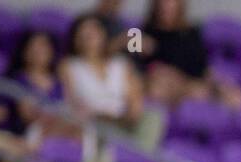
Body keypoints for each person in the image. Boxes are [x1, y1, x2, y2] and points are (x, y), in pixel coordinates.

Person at [60, 13, 164, 151]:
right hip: (93, 122)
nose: (90, 35)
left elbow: (135, 98)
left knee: (153, 115)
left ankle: (139, 159)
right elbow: (71, 100)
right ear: (75, 38)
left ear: (103, 34)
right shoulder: (70, 66)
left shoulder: (120, 64)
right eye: (84, 31)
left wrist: (129, 116)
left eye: (94, 30)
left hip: (122, 120)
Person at [138, 0, 241, 110]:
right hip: (160, 84)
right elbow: (135, 65)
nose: (166, 7)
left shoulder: (191, 33)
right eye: (163, 3)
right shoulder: (143, 32)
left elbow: (202, 68)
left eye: (170, 3)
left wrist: (220, 84)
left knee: (234, 94)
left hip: (192, 82)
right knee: (159, 84)